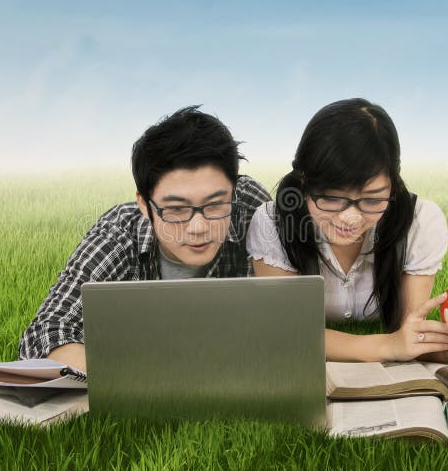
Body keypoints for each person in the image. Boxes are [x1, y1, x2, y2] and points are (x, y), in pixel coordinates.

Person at [247, 98, 448, 365]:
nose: (350, 217)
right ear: (302, 183)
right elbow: (284, 333)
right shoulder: (273, 223)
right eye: (330, 198)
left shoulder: (419, 221)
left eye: (373, 199)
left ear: (393, 185)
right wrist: (386, 345)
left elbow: (410, 334)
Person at [19, 106, 270, 371]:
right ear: (143, 204)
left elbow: (287, 312)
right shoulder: (119, 234)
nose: (198, 227)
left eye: (215, 204)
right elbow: (44, 334)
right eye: (176, 209)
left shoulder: (253, 209)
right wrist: (142, 376)